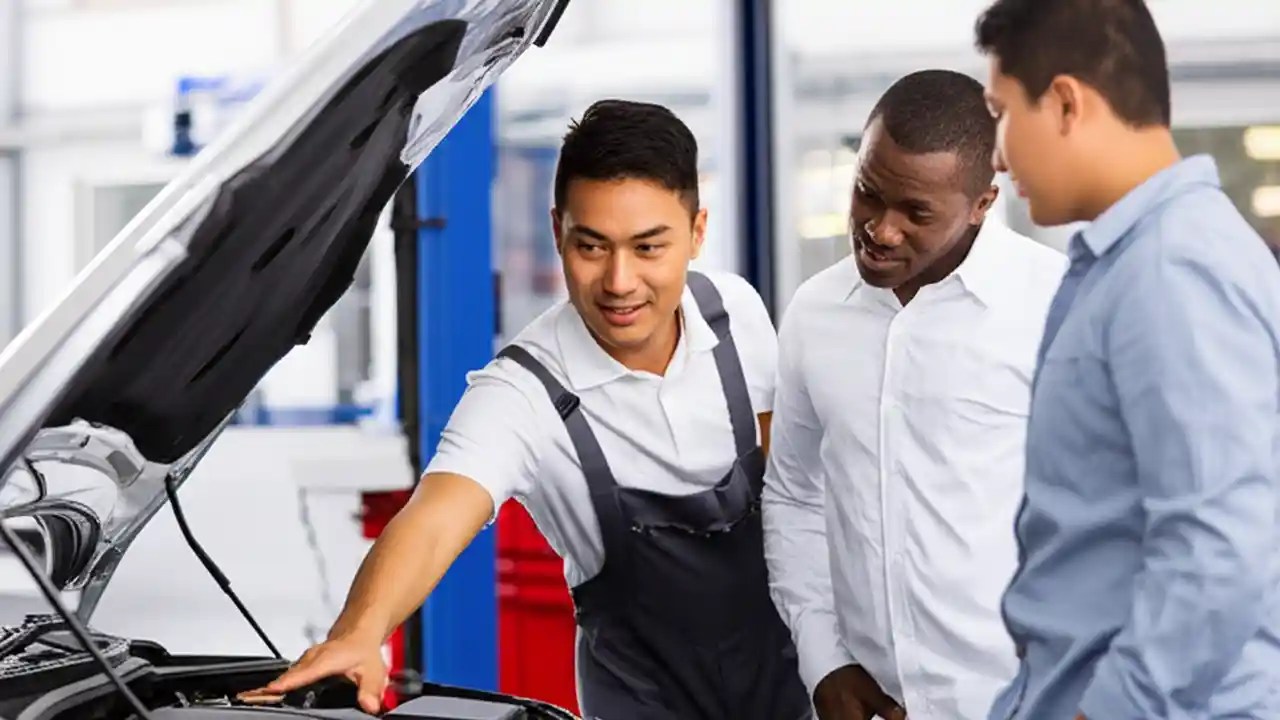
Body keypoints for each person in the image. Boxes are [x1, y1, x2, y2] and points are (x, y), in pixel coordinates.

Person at [255, 99, 813, 719]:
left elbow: (788, 493)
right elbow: (434, 517)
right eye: (592, 246)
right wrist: (358, 632)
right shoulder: (523, 391)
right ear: (557, 231)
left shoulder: (734, 312)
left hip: (790, 694)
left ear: (697, 231)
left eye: (649, 247)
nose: (620, 281)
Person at [975, 1, 1280, 719]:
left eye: (1001, 112)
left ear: (1065, 102)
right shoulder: (1138, 260)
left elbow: (1218, 545)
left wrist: (1110, 710)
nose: (996, 151)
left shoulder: (1175, 268)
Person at [762, 69, 1067, 720]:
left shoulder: (1057, 307)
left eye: (916, 213)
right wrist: (825, 664)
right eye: (868, 194)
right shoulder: (815, 314)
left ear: (983, 201)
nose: (881, 229)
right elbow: (794, 496)